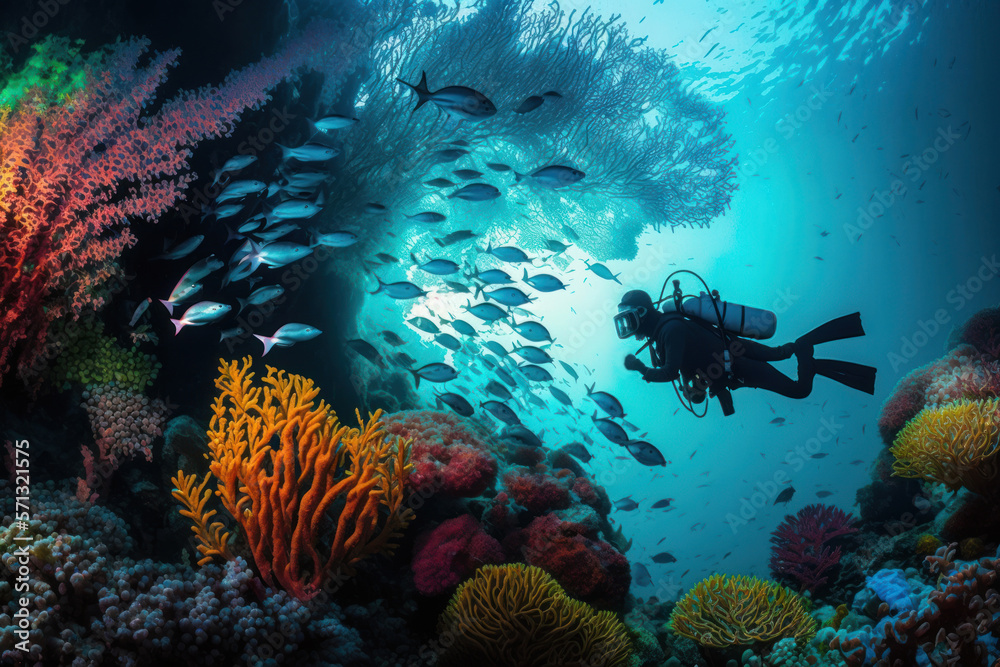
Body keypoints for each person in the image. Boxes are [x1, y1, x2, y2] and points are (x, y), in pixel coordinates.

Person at [614, 290, 877, 416]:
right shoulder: (664, 335)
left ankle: (805, 347)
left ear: (642, 313)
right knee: (784, 354)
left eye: (628, 321)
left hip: (739, 362)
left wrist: (641, 369)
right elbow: (688, 377)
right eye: (623, 324)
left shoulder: (670, 330)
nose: (627, 330)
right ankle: (804, 351)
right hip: (736, 356)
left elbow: (670, 372)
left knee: (799, 390)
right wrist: (696, 390)